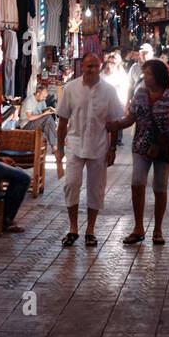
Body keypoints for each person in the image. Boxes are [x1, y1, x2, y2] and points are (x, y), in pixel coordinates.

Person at [108, 58, 169, 246]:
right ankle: (138, 227)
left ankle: (158, 229)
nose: (144, 76)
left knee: (160, 187)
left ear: (158, 76)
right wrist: (113, 125)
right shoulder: (140, 93)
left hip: (164, 148)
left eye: (148, 73)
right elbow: (131, 118)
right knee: (137, 183)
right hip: (141, 146)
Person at [55, 53, 121, 247]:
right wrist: (59, 147)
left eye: (94, 66)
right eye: (88, 66)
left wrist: (112, 148)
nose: (91, 70)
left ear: (100, 67)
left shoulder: (109, 91)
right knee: (71, 184)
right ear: (81, 67)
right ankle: (73, 228)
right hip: (74, 145)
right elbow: (63, 121)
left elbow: (114, 122)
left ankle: (90, 230)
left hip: (99, 146)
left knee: (96, 189)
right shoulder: (71, 88)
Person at [20, 82, 60, 174]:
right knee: (47, 118)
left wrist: (49, 113)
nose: (44, 99)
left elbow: (44, 114)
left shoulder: (41, 101)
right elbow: (30, 118)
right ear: (37, 94)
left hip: (38, 123)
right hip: (27, 125)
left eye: (45, 97)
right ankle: (55, 144)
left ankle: (54, 146)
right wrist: (44, 114)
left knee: (49, 120)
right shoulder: (30, 100)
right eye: (43, 96)